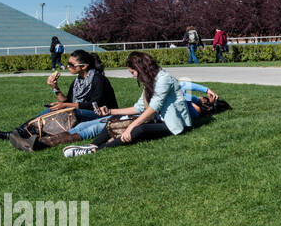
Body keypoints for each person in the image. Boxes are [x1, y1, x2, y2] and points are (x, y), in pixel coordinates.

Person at [63, 52, 194, 157]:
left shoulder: (164, 79)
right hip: (157, 120)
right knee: (114, 119)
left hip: (173, 124)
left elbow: (154, 107)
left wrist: (131, 127)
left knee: (139, 130)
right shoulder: (150, 80)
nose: (132, 76)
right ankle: (92, 145)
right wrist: (110, 111)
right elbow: (139, 107)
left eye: (132, 72)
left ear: (140, 68)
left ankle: (97, 151)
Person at [0, 49, 119, 148]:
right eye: (68, 63)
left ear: (84, 66)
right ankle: (23, 132)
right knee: (53, 109)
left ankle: (21, 132)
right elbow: (68, 101)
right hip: (83, 112)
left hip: (103, 114)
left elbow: (94, 105)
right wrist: (55, 88)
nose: (68, 66)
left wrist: (65, 106)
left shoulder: (98, 80)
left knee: (67, 110)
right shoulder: (78, 81)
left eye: (71, 64)